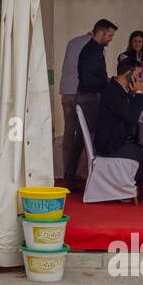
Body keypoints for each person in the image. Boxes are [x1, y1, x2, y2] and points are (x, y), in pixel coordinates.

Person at [93, 56, 143, 184]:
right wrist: (139, 93)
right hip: (111, 145)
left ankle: (124, 181)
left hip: (117, 140)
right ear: (129, 74)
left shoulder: (119, 88)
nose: (140, 79)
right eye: (138, 75)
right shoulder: (112, 92)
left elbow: (134, 105)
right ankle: (121, 184)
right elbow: (131, 116)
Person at [59, 28, 93, 192]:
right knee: (83, 134)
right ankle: (79, 173)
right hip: (82, 92)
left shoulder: (72, 42)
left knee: (68, 133)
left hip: (66, 91)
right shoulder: (95, 46)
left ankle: (67, 172)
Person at [75, 18, 118, 138]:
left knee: (85, 135)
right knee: (89, 135)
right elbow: (87, 78)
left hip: (89, 96)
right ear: (101, 33)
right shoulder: (92, 51)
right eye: (110, 35)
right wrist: (107, 82)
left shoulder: (94, 49)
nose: (111, 39)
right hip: (90, 98)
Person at [117, 31, 143, 98]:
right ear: (131, 42)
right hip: (130, 92)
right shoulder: (124, 56)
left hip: (142, 91)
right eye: (135, 41)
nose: (137, 44)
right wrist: (140, 65)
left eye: (140, 42)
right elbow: (126, 75)